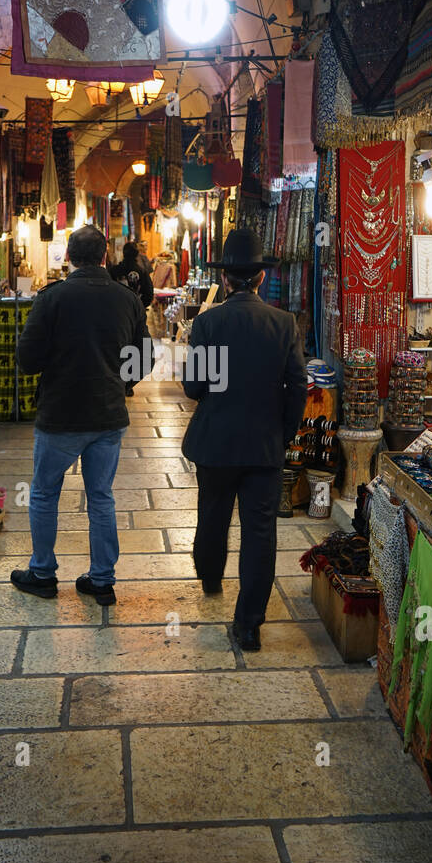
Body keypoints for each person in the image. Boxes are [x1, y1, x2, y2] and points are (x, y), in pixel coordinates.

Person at [12, 224, 154, 606]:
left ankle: (42, 573)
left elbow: (27, 360)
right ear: (105, 257)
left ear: (69, 258)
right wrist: (118, 382)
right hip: (107, 415)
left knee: (43, 494)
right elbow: (143, 361)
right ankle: (102, 579)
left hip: (60, 413)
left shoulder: (52, 298)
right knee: (101, 497)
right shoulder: (127, 300)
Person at [181, 228, 308, 651]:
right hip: (263, 447)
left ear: (225, 279)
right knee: (259, 532)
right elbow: (298, 387)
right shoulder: (283, 323)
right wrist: (283, 434)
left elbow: (194, 387)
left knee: (212, 515)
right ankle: (249, 626)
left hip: (215, 442)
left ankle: (211, 577)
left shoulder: (208, 322)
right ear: (259, 278)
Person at [111, 241, 154, 308]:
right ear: (137, 254)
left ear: (123, 253)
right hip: (136, 310)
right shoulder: (142, 271)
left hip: (118, 310)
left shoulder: (114, 270)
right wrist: (139, 307)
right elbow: (149, 295)